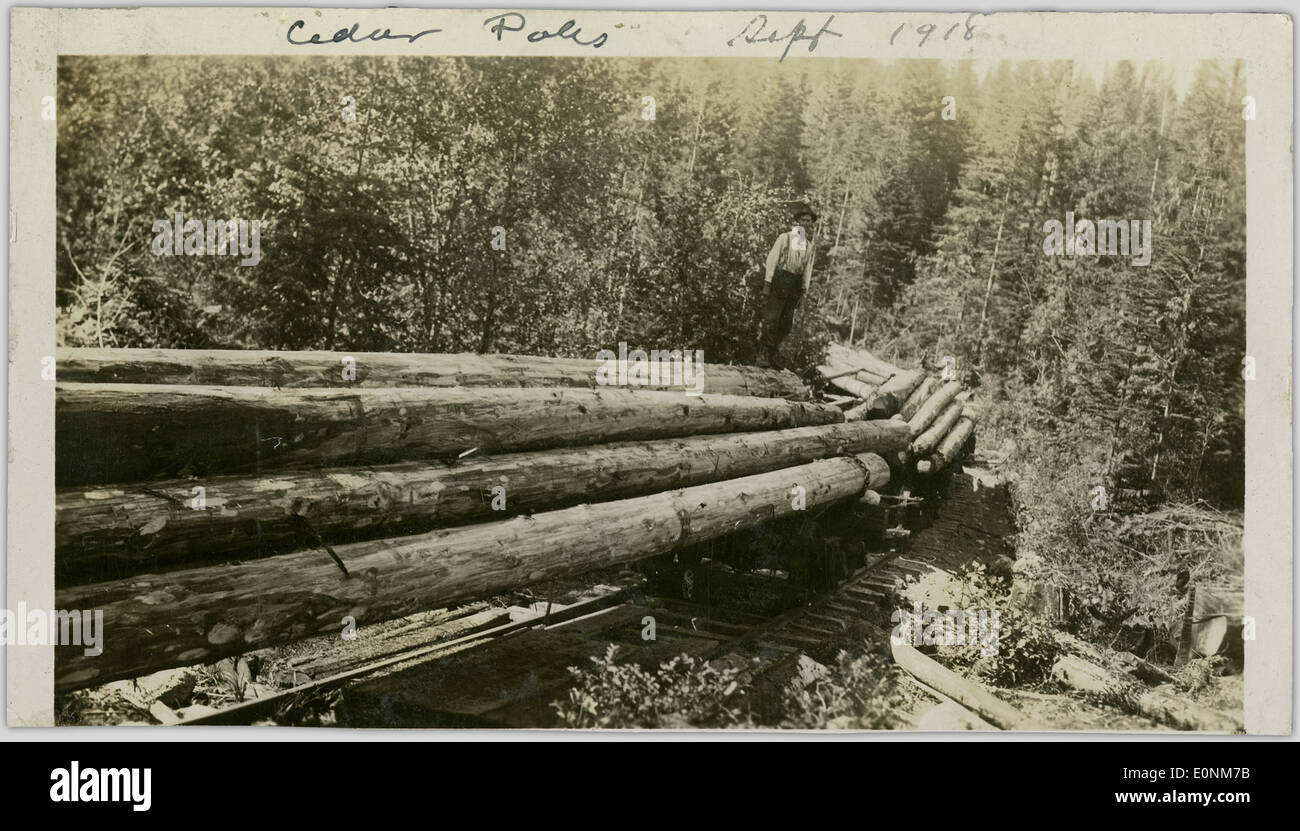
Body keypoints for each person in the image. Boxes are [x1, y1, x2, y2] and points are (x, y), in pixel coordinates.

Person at [757, 205, 818, 369]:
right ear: (797, 221)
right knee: (772, 319)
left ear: (811, 224)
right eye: (803, 220)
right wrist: (767, 283)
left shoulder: (809, 246)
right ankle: (763, 354)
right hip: (781, 279)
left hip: (795, 284)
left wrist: (803, 291)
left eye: (809, 221)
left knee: (786, 324)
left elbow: (807, 269)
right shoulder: (785, 238)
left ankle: (773, 354)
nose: (805, 224)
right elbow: (772, 259)